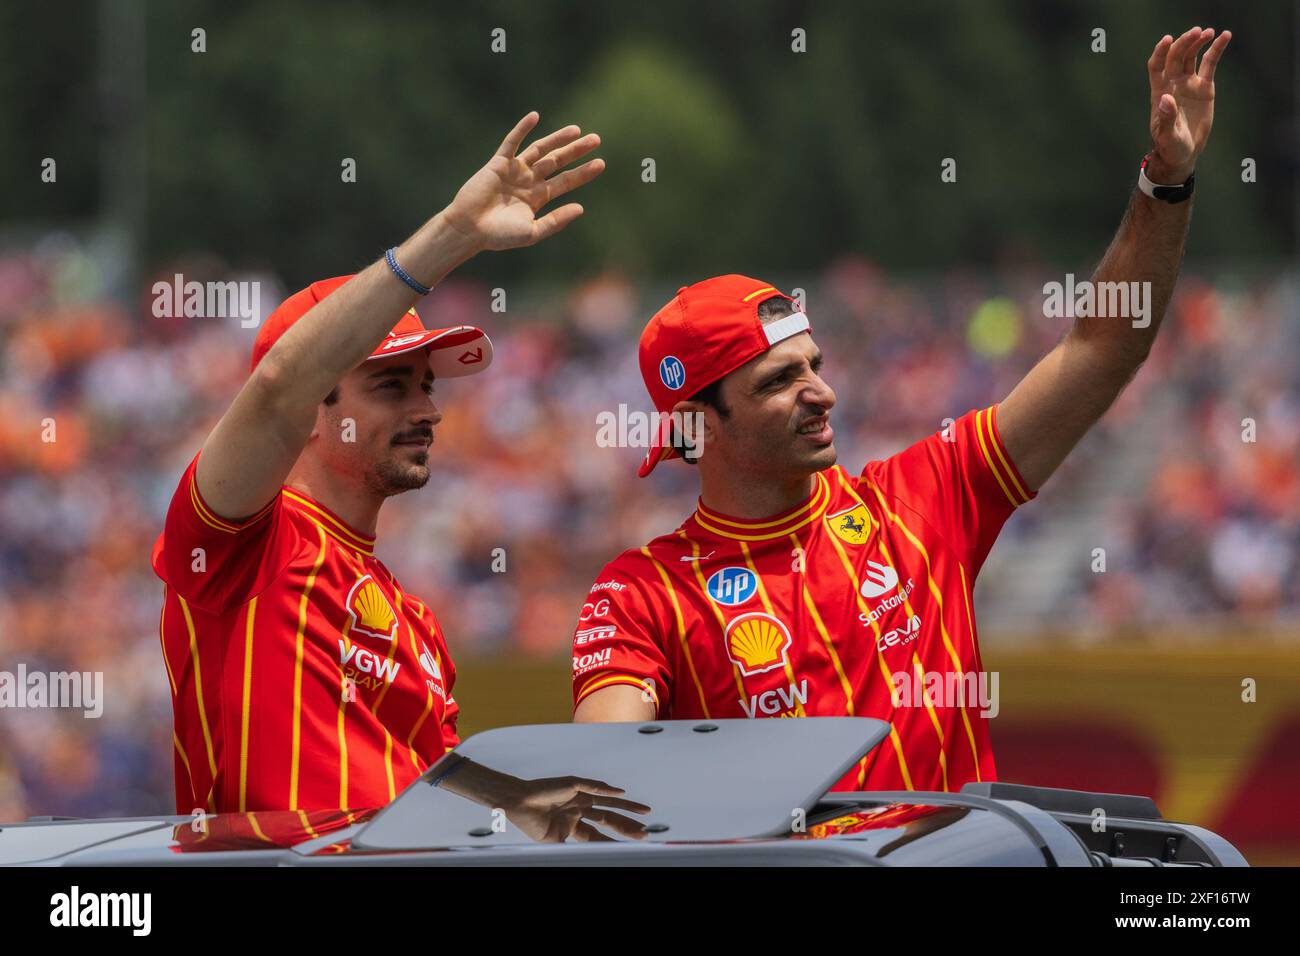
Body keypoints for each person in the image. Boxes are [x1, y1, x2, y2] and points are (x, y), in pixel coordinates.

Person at [571, 27, 1232, 795]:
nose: (820, 391)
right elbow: (601, 780)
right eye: (779, 381)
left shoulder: (925, 496)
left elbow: (1102, 348)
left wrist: (1167, 181)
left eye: (814, 365)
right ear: (696, 424)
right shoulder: (641, 593)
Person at [152, 112, 610, 815]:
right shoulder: (239, 542)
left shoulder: (411, 614)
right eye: (392, 387)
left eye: (427, 385)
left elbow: (427, 786)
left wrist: (521, 808)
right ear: (314, 409)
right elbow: (277, 387)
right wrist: (453, 236)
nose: (427, 410)